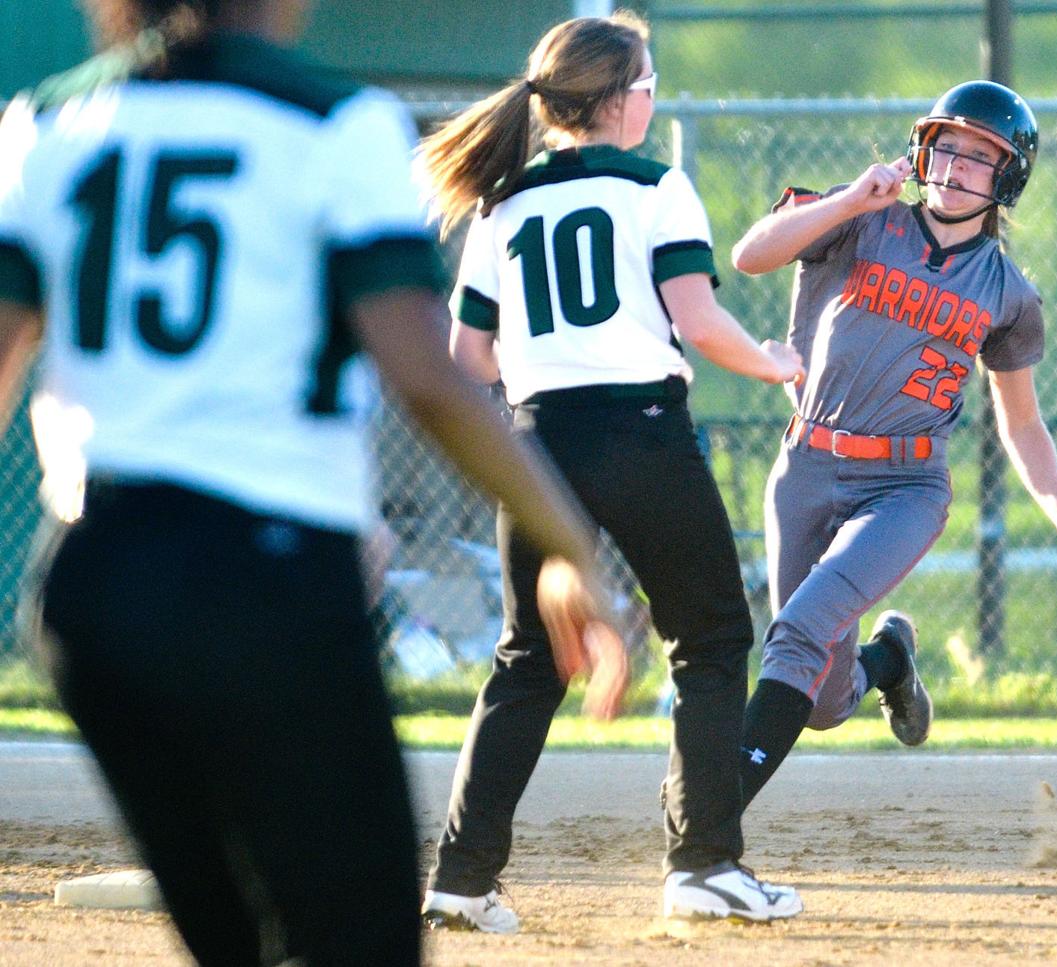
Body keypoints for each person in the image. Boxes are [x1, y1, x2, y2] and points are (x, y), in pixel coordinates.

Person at [0, 1, 612, 963]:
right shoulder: (333, 121)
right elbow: (428, 379)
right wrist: (569, 541)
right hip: (267, 578)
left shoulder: (44, 122)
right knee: (355, 942)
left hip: (92, 584)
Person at [418, 11, 807, 932]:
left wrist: (549, 378)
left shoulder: (501, 200)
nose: (652, 101)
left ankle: (460, 879)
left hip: (536, 440)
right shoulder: (655, 185)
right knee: (709, 641)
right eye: (647, 86)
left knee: (523, 661)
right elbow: (702, 324)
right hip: (640, 431)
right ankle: (704, 863)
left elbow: (467, 356)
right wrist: (777, 361)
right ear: (618, 100)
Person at [729, 80, 1057, 808]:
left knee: (797, 629)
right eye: (945, 146)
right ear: (922, 149)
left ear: (1008, 179)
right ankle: (889, 660)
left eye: (979, 157)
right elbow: (750, 254)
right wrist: (852, 198)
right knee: (822, 702)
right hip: (806, 467)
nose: (954, 166)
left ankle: (710, 813)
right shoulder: (861, 217)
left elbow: (1021, 423)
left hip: (903, 489)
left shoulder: (1008, 292)